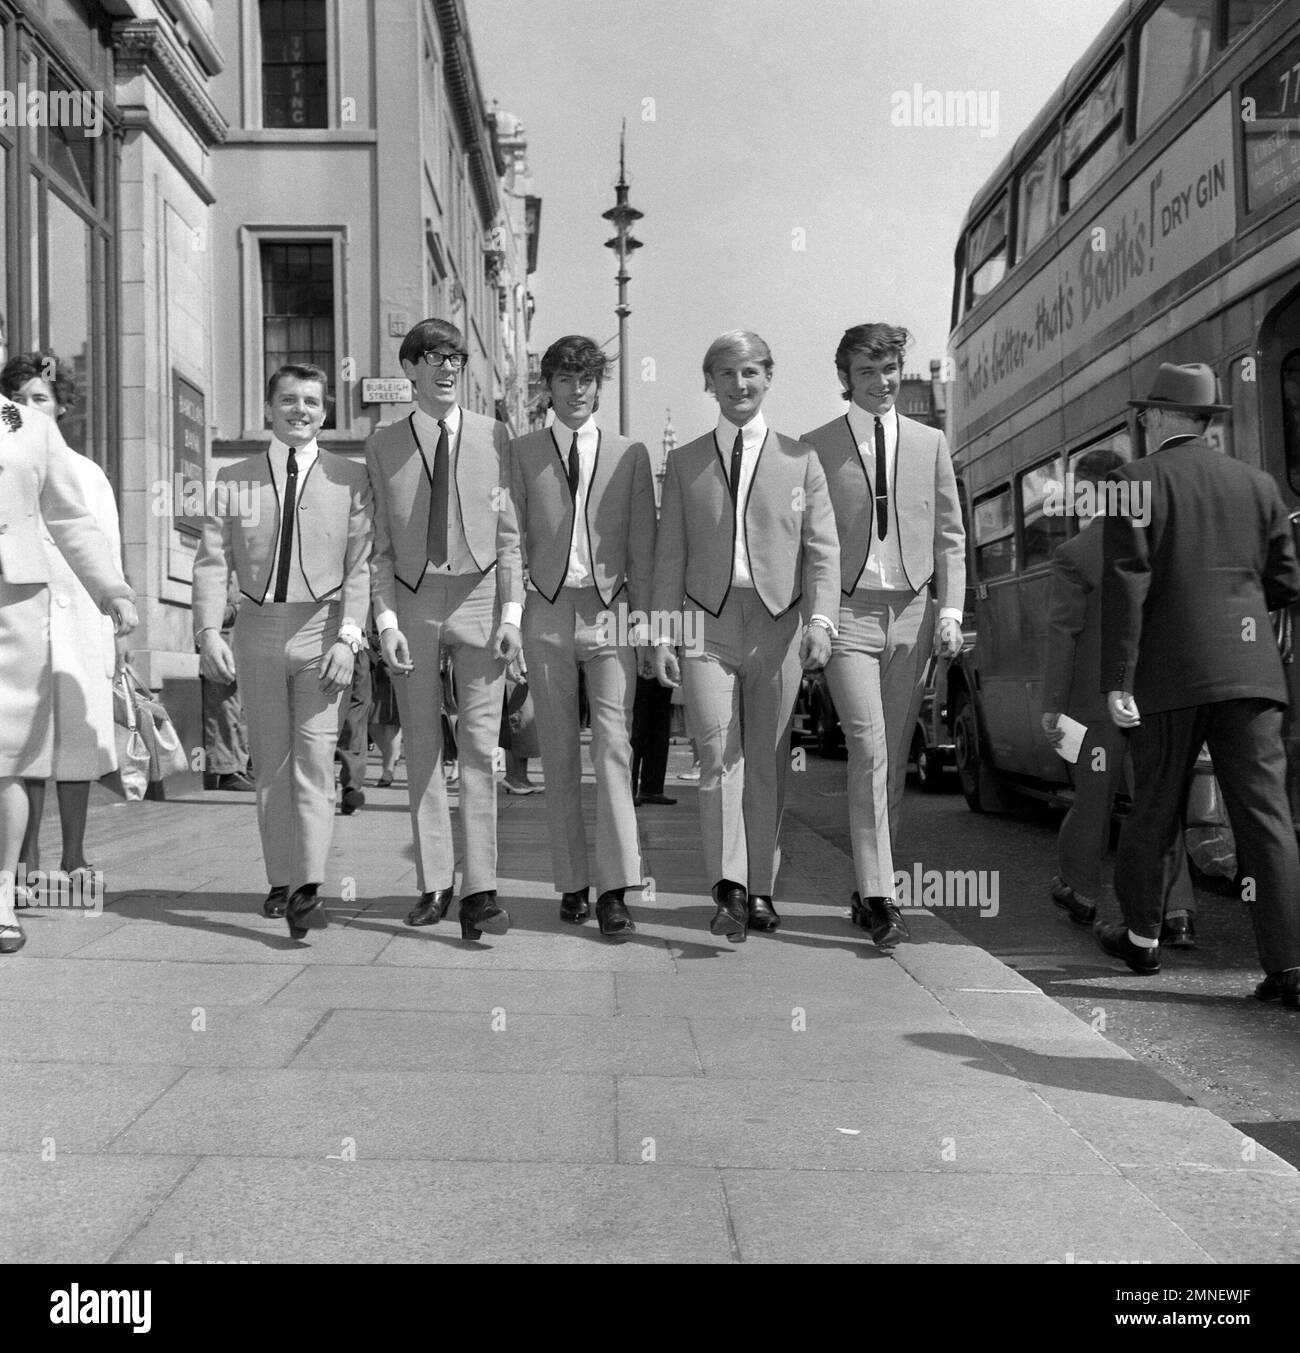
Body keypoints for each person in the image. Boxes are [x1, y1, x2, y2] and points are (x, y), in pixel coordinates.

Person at [1098, 361, 1300, 1009]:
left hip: (1169, 675)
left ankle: (1142, 939)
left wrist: (1118, 679)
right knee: (1267, 820)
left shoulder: (1134, 482)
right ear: (1207, 420)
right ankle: (1288, 965)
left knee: (1156, 808)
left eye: (1147, 413)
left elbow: (1128, 588)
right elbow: (1286, 582)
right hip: (1251, 674)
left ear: (1158, 417)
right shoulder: (1259, 484)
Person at [652, 330, 839, 941]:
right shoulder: (685, 463)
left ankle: (761, 887)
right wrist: (660, 635)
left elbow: (822, 552)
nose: (739, 385)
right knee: (714, 753)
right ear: (710, 383)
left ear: (768, 378)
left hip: (779, 626)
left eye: (751, 373)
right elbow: (668, 557)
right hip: (706, 623)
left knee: (766, 761)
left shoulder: (800, 458)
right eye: (727, 374)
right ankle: (728, 886)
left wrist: (820, 621)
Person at [193, 364, 372, 940]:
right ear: (270, 408)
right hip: (256, 631)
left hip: (322, 634)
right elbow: (212, 563)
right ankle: (280, 878)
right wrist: (207, 635)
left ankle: (308, 888)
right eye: (290, 400)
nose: (301, 410)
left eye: (313, 403)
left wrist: (350, 637)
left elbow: (361, 566)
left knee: (316, 760)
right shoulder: (233, 478)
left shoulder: (352, 478)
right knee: (270, 763)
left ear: (326, 413)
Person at [802, 324, 964, 949]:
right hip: (848, 615)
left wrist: (950, 609)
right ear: (846, 378)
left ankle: (875, 883)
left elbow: (950, 534)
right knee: (867, 748)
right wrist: (813, 619)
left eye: (891, 367)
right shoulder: (814, 448)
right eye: (868, 372)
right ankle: (880, 897)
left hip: (914, 614)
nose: (884, 381)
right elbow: (809, 543)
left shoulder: (930, 442)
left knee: (892, 758)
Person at [365, 318, 523, 942]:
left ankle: (480, 891)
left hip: (482, 597)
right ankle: (434, 883)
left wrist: (511, 615)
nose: (448, 366)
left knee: (482, 748)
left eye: (455, 355)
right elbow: (376, 547)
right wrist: (384, 621)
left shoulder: (495, 437)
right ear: (409, 369)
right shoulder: (383, 445)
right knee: (424, 748)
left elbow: (511, 538)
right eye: (433, 356)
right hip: (412, 602)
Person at [509, 335, 656, 936]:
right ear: (548, 386)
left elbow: (644, 547)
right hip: (544, 611)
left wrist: (647, 626)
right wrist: (511, 621)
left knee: (613, 749)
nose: (575, 391)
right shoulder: (522, 453)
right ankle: (572, 883)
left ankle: (615, 887)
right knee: (559, 754)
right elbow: (509, 541)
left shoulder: (630, 454)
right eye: (563, 379)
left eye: (585, 380)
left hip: (611, 612)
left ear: (599, 386)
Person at [0, 389, 137, 953]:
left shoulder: (28, 425)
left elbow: (71, 518)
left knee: (7, 750)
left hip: (13, 606)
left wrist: (112, 590)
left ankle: (3, 897)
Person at [1040, 447, 1196, 943]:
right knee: (1157, 801)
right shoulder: (1160, 539)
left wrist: (1051, 706)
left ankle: (1082, 893)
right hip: (1156, 696)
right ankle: (1177, 913)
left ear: (1085, 491)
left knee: (1093, 800)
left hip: (1093, 702)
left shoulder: (1074, 555)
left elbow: (1063, 635)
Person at [200, 572, 255, 792]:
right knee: (224, 712)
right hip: (221, 652)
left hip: (238, 649)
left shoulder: (238, 573)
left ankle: (238, 767)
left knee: (239, 713)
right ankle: (226, 771)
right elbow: (210, 613)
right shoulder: (218, 573)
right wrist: (244, 608)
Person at [630, 675, 676, 805]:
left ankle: (652, 789)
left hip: (661, 669)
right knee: (636, 726)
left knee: (659, 726)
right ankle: (629, 789)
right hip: (638, 665)